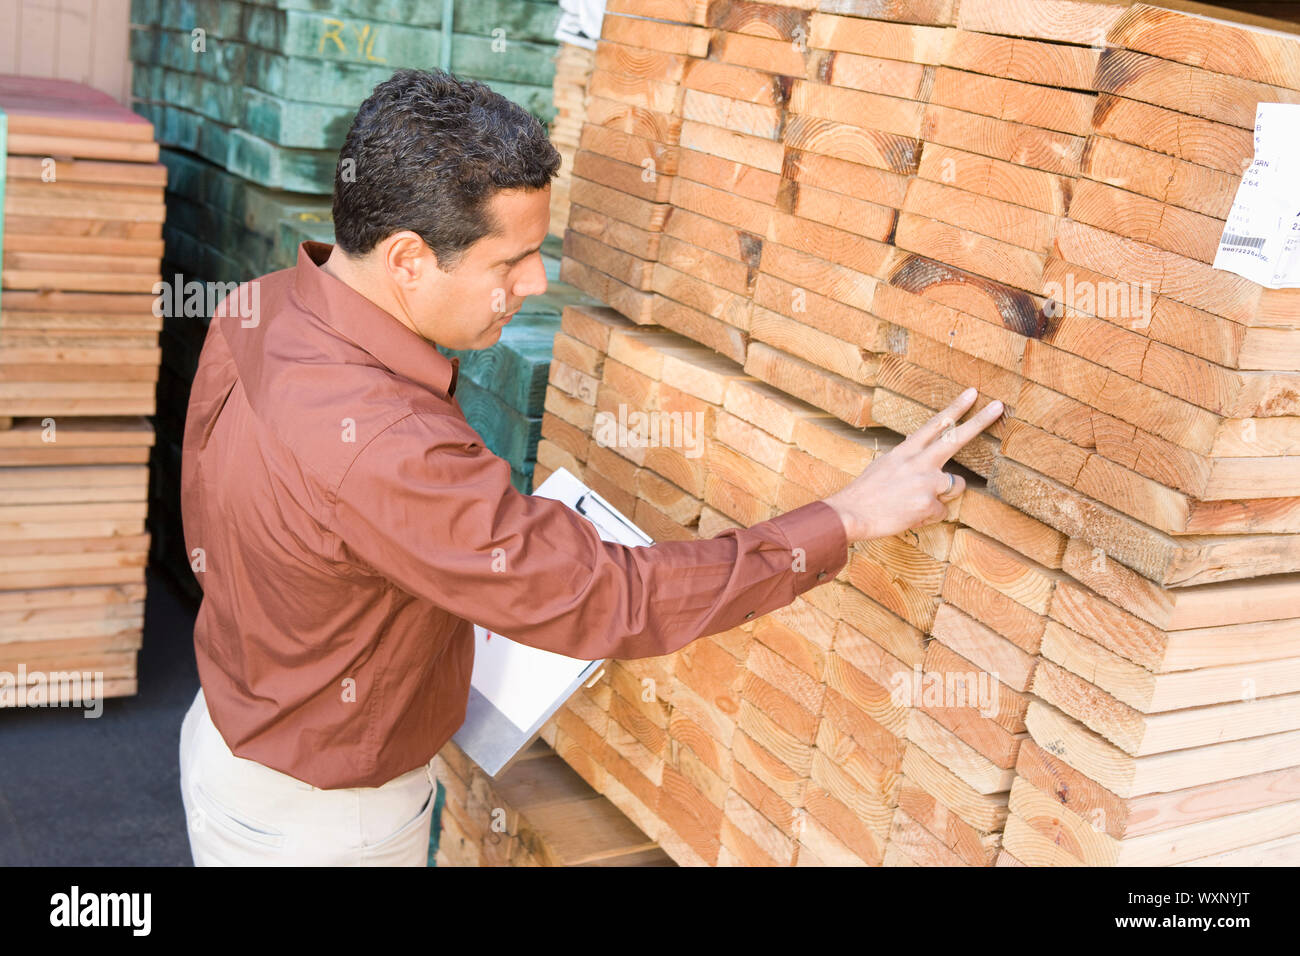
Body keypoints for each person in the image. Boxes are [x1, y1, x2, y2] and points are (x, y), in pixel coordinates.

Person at [177, 68, 1004, 866]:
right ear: (406, 260)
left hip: (228, 739)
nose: (536, 282)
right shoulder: (389, 448)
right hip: (325, 826)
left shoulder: (265, 304)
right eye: (510, 261)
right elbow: (609, 597)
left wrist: (445, 544)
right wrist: (848, 518)